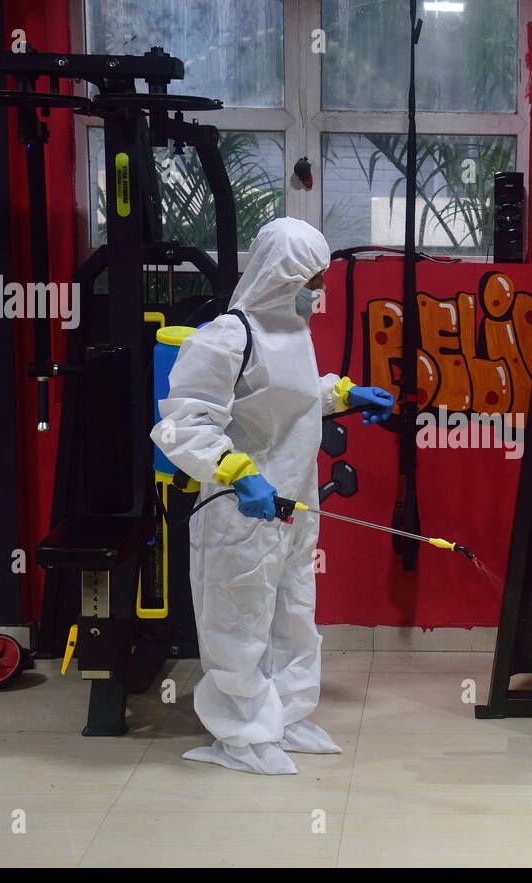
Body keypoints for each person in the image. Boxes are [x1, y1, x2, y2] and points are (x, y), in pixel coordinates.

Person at [151, 218, 393, 775]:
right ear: (280, 277)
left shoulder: (294, 333)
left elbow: (286, 400)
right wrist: (237, 472)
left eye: (320, 277)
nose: (318, 290)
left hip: (294, 506)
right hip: (240, 509)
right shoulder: (227, 337)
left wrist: (345, 394)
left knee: (293, 613)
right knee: (238, 618)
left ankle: (285, 714)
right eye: (310, 279)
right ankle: (239, 732)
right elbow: (182, 424)